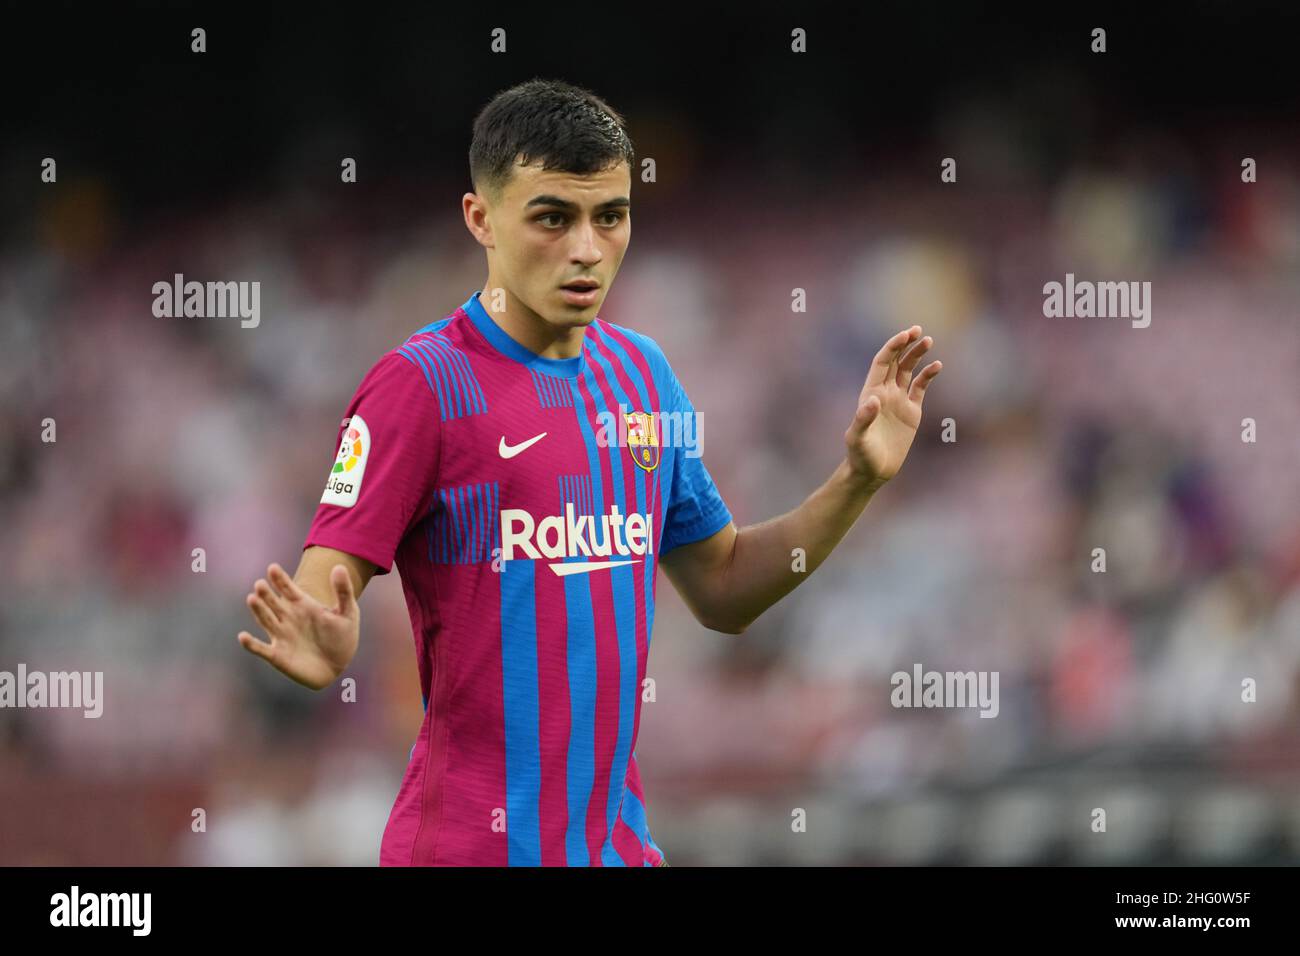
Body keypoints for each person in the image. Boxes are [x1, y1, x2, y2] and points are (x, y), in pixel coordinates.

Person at [237, 77, 943, 866]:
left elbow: (725, 587)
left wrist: (856, 481)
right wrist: (324, 643)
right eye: (552, 217)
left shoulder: (643, 376)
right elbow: (322, 584)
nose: (586, 248)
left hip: (616, 849)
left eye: (610, 217)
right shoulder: (420, 386)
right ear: (482, 219)